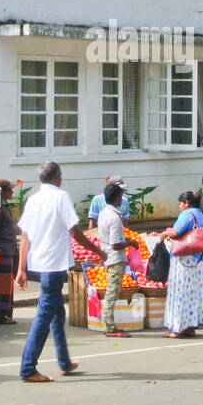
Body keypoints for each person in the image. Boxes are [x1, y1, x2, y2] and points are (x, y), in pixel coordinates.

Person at [16, 161, 107, 382]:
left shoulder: (33, 200)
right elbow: (75, 232)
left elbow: (25, 237)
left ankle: (64, 361)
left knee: (57, 311)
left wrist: (21, 269)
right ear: (57, 177)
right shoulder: (60, 197)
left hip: (38, 263)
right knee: (44, 314)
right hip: (53, 264)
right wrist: (98, 251)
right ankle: (28, 367)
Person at [158, 191, 203, 338]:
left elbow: (176, 232)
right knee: (193, 294)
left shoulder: (187, 214)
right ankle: (190, 327)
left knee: (179, 293)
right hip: (198, 260)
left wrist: (164, 233)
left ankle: (176, 328)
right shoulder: (201, 215)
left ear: (186, 203)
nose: (180, 206)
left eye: (180, 203)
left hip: (184, 260)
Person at [97, 182, 139, 338]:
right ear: (116, 198)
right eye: (121, 196)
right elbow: (115, 244)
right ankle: (110, 326)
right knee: (112, 293)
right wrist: (130, 242)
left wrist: (126, 238)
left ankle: (109, 324)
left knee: (111, 291)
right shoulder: (114, 217)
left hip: (108, 256)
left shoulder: (103, 214)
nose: (122, 199)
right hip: (115, 258)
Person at [0, 178, 21, 324]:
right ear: (3, 191)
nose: (12, 192)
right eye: (10, 189)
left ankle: (3, 313)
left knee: (7, 284)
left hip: (8, 248)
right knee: (2, 285)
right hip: (3, 250)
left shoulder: (3, 205)